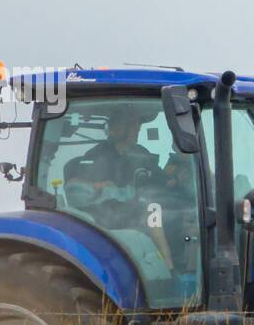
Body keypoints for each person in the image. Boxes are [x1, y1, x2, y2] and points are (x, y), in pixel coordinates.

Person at [65, 103, 176, 269]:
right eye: (131, 124)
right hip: (109, 217)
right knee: (152, 211)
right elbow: (74, 185)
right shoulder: (97, 156)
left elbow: (163, 181)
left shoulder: (141, 154)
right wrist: (100, 185)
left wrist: (181, 172)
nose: (137, 128)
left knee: (178, 217)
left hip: (137, 210)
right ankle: (169, 267)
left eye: (137, 124)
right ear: (115, 128)